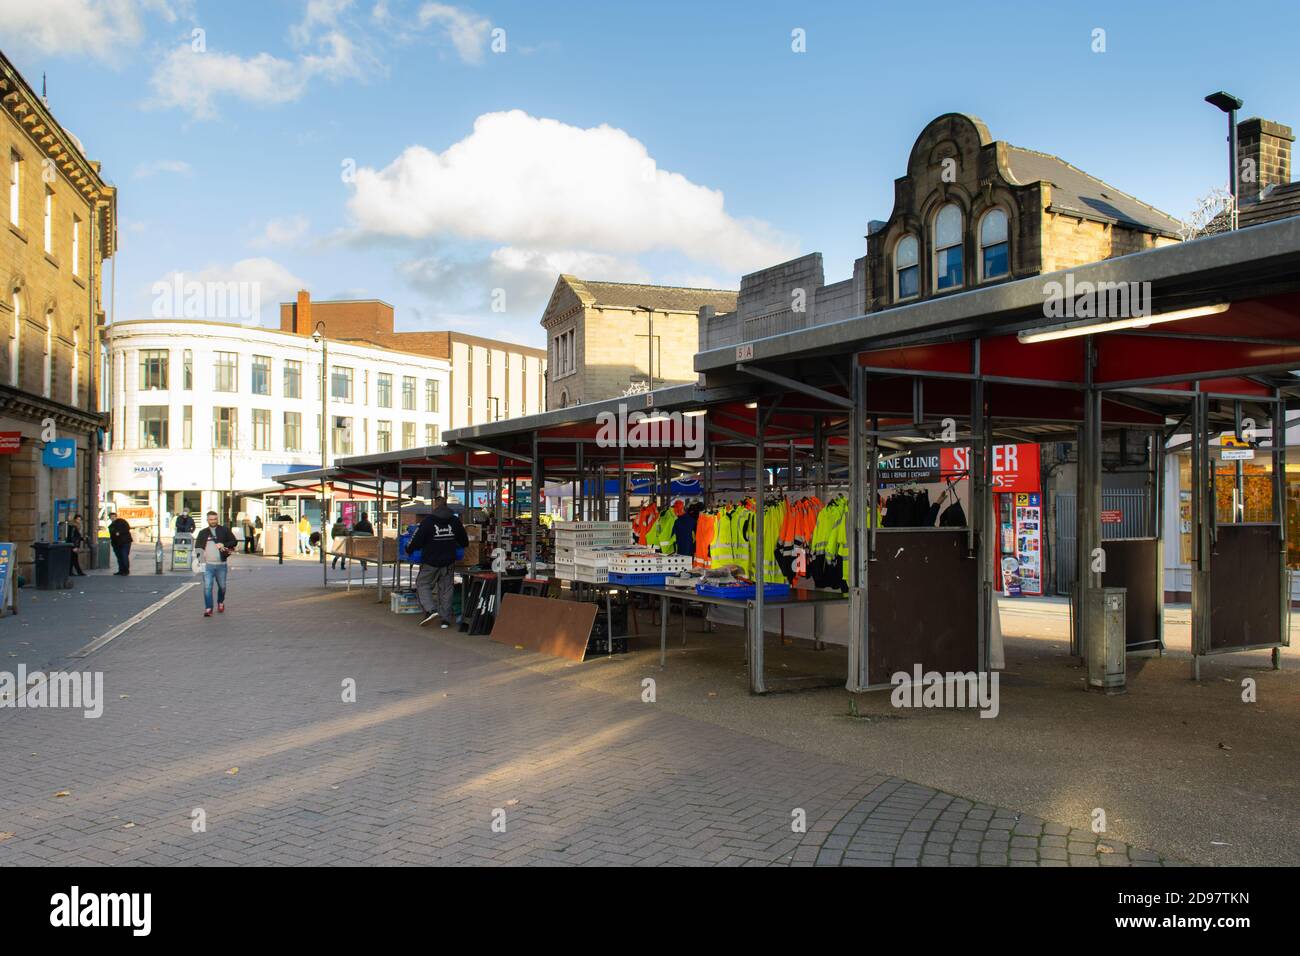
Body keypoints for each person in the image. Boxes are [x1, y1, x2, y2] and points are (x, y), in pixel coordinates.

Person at [409, 496, 468, 628]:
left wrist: (409, 549)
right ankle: (445, 620)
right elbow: (465, 541)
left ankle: (431, 610)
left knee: (422, 583)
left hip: (430, 561)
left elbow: (416, 541)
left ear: (435, 505)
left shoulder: (428, 521)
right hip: (449, 561)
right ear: (446, 505)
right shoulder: (455, 521)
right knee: (446, 589)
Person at [194, 511, 238, 617]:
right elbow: (198, 547)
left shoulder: (224, 530)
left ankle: (220, 602)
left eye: (215, 519)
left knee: (222, 587)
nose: (213, 521)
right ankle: (208, 608)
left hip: (221, 565)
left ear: (217, 519)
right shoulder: (203, 532)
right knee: (207, 587)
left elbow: (234, 541)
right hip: (208, 565)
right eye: (211, 519)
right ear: (207, 520)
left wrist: (224, 544)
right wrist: (201, 561)